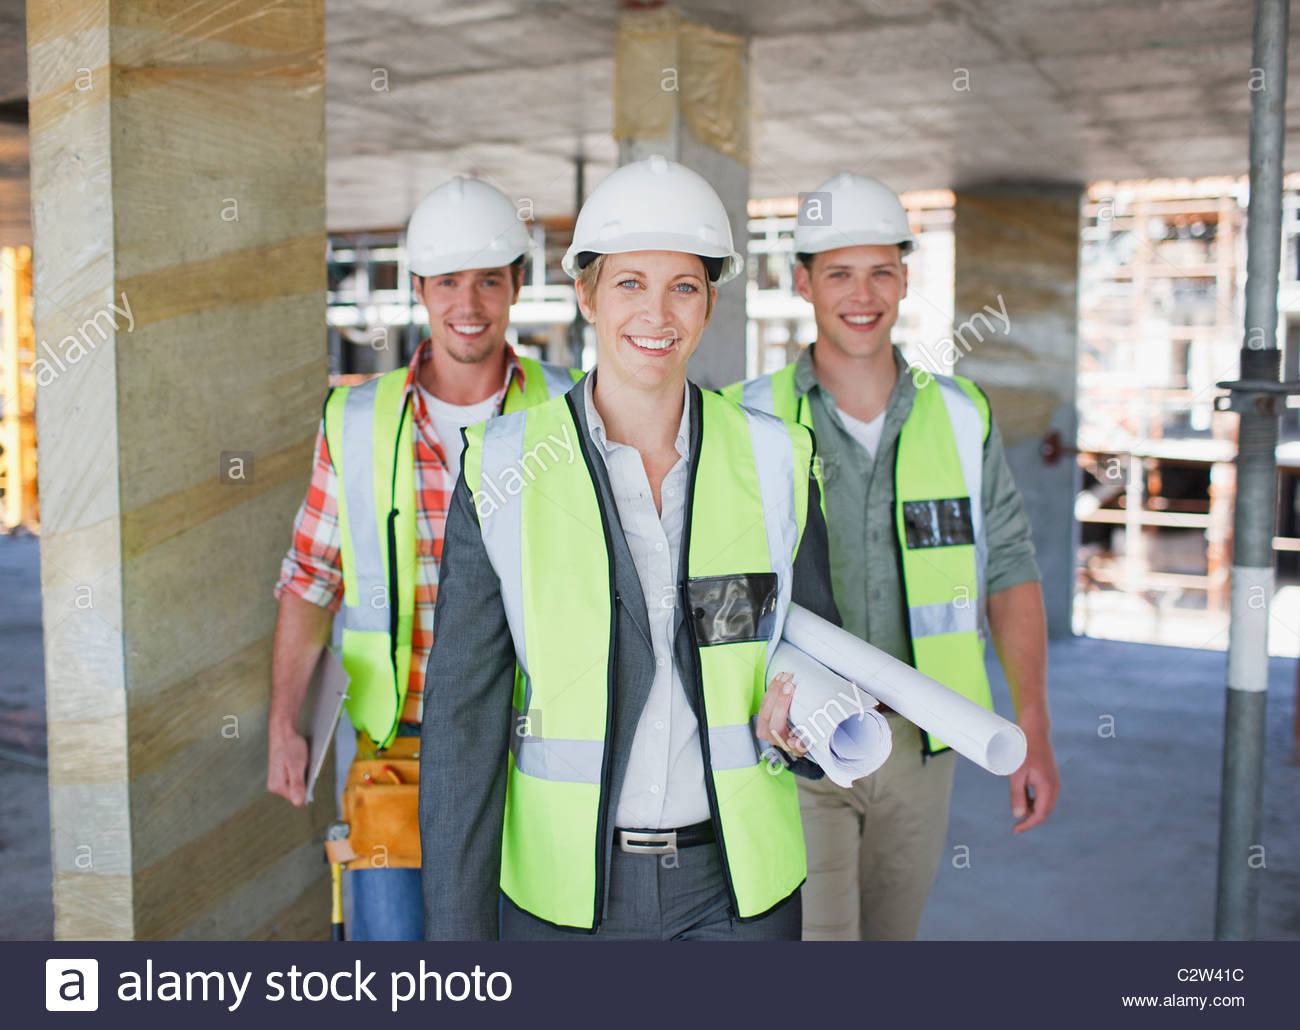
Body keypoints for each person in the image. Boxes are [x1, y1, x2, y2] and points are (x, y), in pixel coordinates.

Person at [419, 156, 841, 941]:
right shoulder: (505, 467)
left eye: (683, 285)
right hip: (566, 899)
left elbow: (815, 656)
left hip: (738, 894)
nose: (657, 313)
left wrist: (815, 726)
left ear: (711, 301)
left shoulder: (779, 458)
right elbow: (463, 721)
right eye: (629, 284)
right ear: (585, 293)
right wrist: (457, 945)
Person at [723, 172, 1061, 941]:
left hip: (922, 746)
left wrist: (1033, 727)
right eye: (839, 272)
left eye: (881, 270)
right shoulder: (747, 418)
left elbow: (1007, 569)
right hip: (798, 743)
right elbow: (723, 590)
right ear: (804, 281)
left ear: (906, 277)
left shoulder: (958, 413)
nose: (862, 294)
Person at [266, 175, 578, 940]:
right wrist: (283, 719)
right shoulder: (358, 417)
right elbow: (313, 577)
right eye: (447, 283)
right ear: (417, 289)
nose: (467, 305)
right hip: (392, 751)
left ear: (517, 285)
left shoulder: (571, 409)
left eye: (488, 282)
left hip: (529, 749)